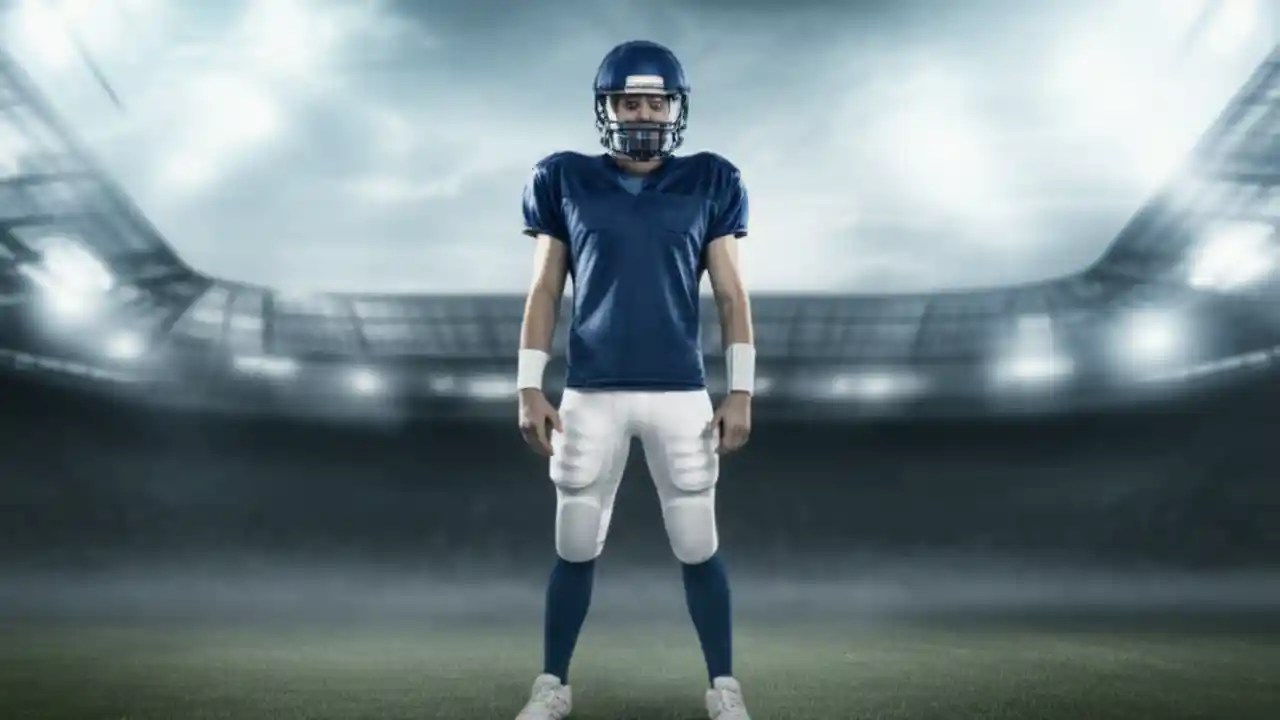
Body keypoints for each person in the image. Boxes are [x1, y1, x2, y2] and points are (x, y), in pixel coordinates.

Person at [511, 39, 756, 720]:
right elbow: (544, 291)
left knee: (697, 539)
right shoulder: (563, 177)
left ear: (673, 106)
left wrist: (741, 389)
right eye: (628, 99)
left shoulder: (710, 178)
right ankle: (553, 683)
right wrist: (530, 385)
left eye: (654, 99)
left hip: (681, 390)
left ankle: (724, 685)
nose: (642, 111)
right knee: (575, 538)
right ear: (607, 107)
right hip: (592, 389)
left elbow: (732, 295)